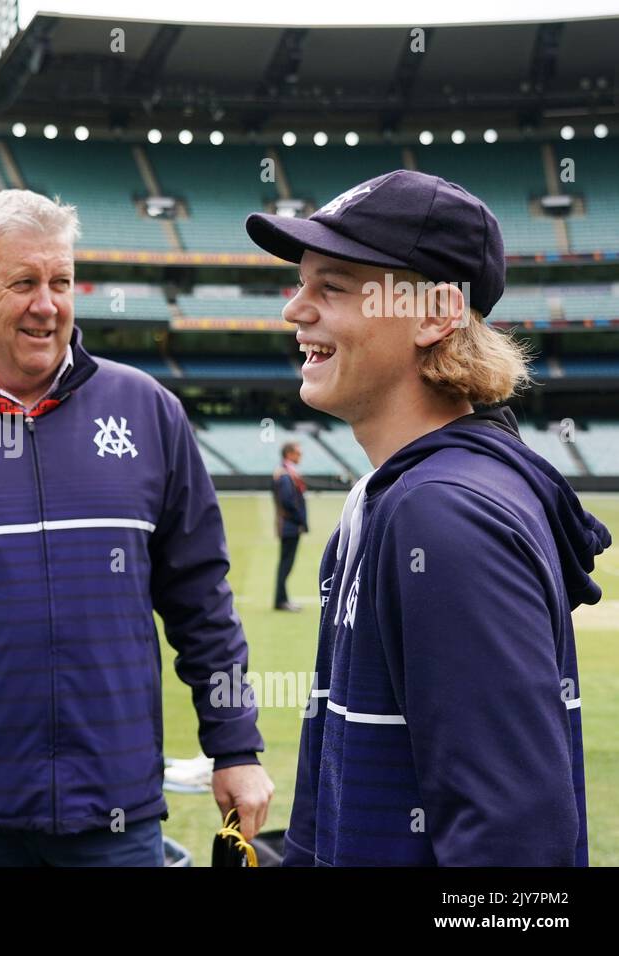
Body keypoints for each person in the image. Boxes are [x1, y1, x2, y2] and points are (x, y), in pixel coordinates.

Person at [0, 189, 273, 867]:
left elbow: (202, 601)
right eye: (24, 283)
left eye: (62, 282)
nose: (48, 304)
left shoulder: (148, 412)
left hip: (117, 810)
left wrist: (236, 747)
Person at [246, 169, 610, 865]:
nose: (295, 309)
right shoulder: (385, 496)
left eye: (334, 285)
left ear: (437, 313)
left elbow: (516, 855)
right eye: (300, 282)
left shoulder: (443, 516)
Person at [272, 441, 308, 611]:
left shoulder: (286, 473)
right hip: (289, 526)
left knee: (285, 564)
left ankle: (282, 599)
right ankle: (281, 601)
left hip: (288, 525)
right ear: (289, 454)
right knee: (285, 565)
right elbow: (288, 502)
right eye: (298, 453)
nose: (300, 456)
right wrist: (301, 520)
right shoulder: (286, 475)